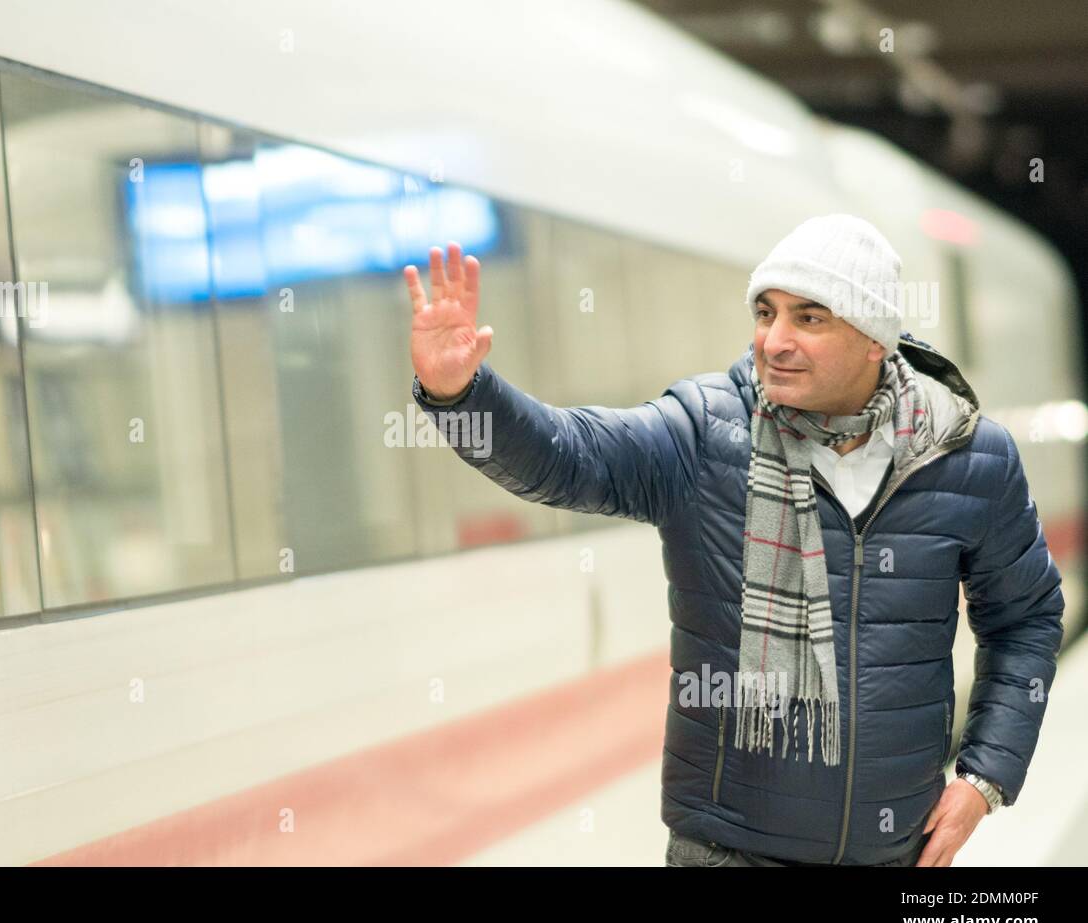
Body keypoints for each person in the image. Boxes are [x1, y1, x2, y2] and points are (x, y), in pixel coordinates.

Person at [403, 214, 1064, 867]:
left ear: (874, 341)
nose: (773, 340)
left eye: (809, 318)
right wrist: (461, 394)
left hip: (893, 851)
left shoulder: (969, 457)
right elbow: (570, 457)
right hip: (726, 852)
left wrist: (984, 777)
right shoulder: (704, 434)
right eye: (765, 313)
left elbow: (1026, 618)